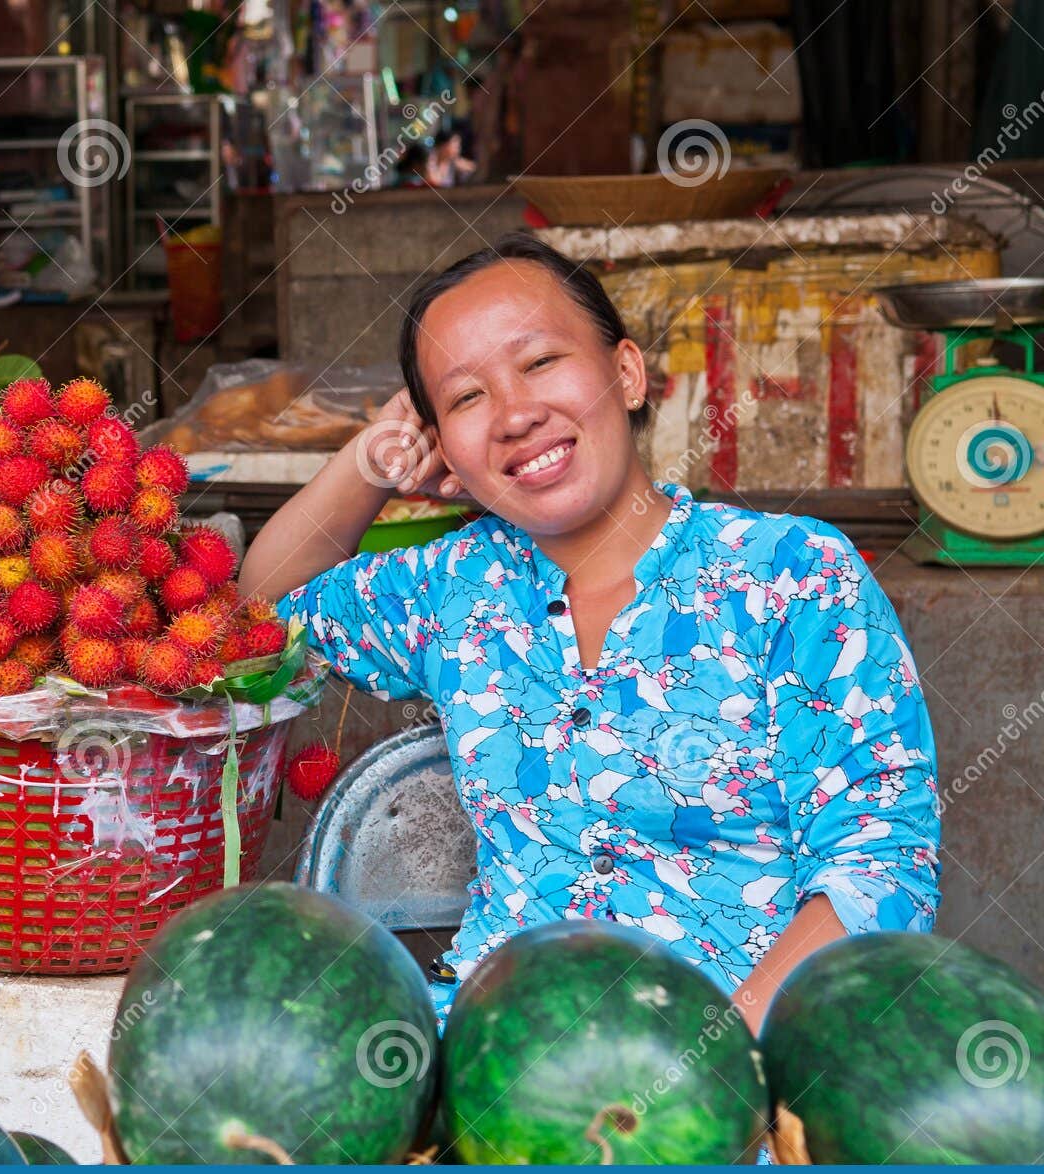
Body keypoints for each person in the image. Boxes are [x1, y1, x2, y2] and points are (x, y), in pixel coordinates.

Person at [239, 234, 941, 1039]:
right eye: (465, 399)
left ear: (628, 373)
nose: (514, 414)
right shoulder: (450, 589)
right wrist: (373, 456)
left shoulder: (793, 574)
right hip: (491, 1056)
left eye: (539, 362)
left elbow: (881, 870)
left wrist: (709, 1070)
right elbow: (265, 611)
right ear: (445, 450)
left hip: (732, 1076)